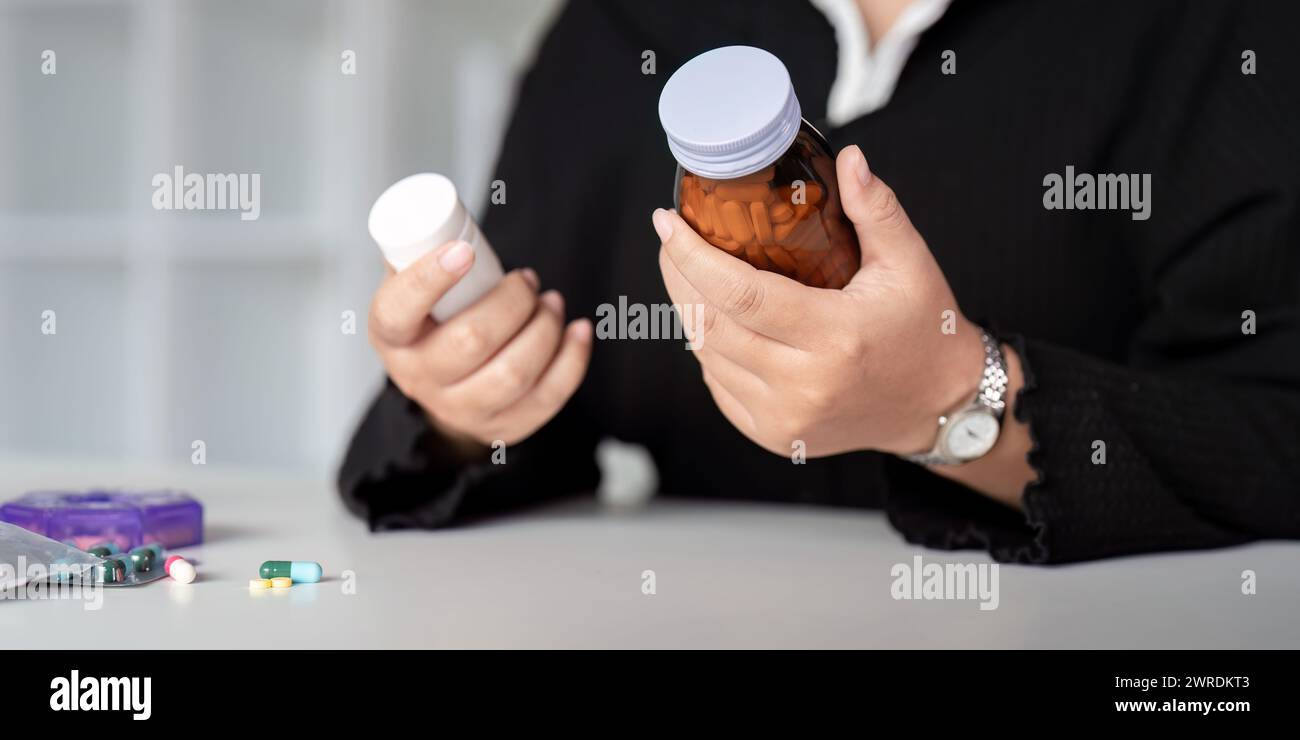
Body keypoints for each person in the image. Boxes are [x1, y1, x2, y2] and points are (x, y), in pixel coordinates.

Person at [338, 0, 1300, 563]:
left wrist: (958, 402)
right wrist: (469, 401)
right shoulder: (619, 27)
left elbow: (1272, 433)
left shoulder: (1216, 33)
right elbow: (539, 392)